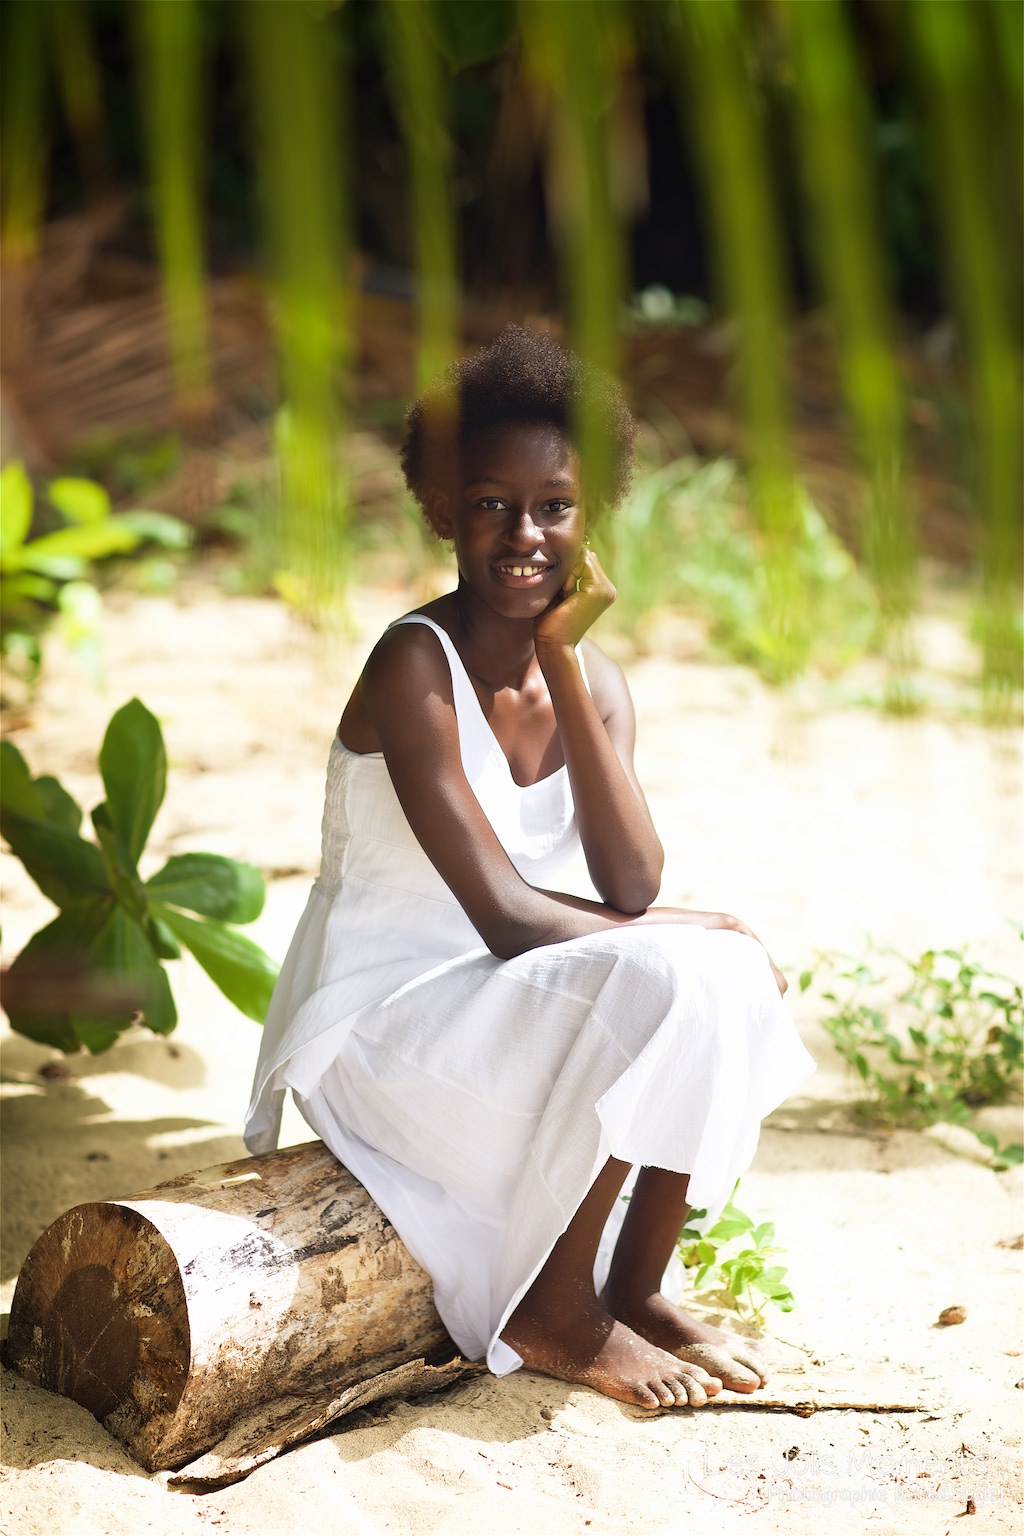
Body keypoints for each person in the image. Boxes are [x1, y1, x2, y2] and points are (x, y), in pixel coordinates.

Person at [245, 325, 814, 1411]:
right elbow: (504, 916)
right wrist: (678, 938)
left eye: (554, 506)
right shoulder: (413, 663)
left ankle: (636, 1287)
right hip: (387, 1020)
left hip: (505, 1007)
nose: (524, 534)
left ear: (589, 515)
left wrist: (561, 655)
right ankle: (554, 1307)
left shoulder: (592, 679)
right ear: (442, 512)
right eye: (490, 504)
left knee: (726, 970)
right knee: (668, 973)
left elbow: (632, 882)